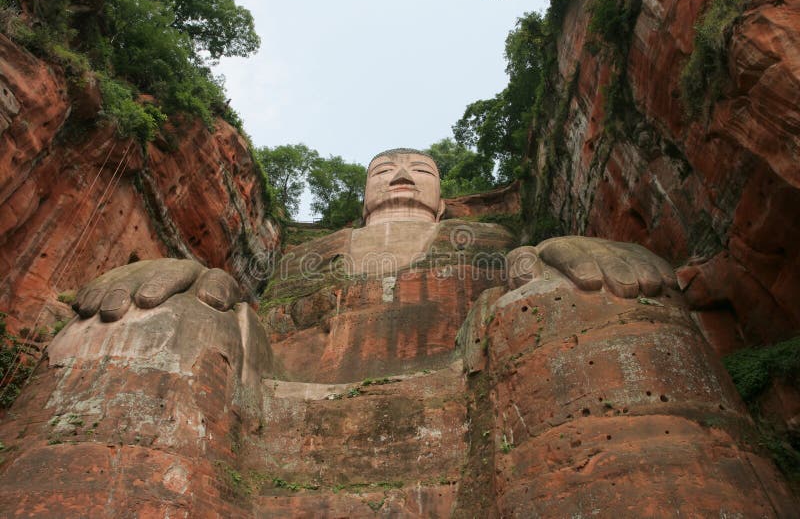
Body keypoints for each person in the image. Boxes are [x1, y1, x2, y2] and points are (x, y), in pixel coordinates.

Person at [0, 149, 793, 516]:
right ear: (360, 193)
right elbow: (262, 332)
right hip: (282, 408)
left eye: (420, 169)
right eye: (383, 169)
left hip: (475, 396)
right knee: (156, 317)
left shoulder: (484, 246)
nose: (401, 175)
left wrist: (561, 260)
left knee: (590, 292)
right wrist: (204, 290)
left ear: (448, 199)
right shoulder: (309, 256)